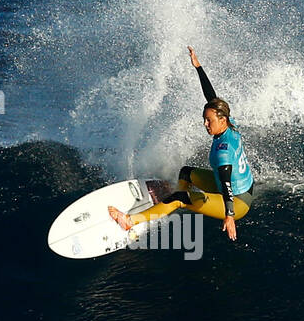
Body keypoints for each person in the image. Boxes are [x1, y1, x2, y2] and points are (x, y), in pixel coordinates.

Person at [109, 46, 255, 241]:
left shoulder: (223, 152)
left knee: (180, 199)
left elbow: (226, 184)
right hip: (241, 187)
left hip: (237, 202)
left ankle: (130, 220)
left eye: (208, 121)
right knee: (186, 172)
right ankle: (174, 202)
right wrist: (198, 66)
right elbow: (212, 97)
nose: (205, 124)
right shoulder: (230, 123)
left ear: (221, 119)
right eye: (204, 119)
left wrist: (229, 217)